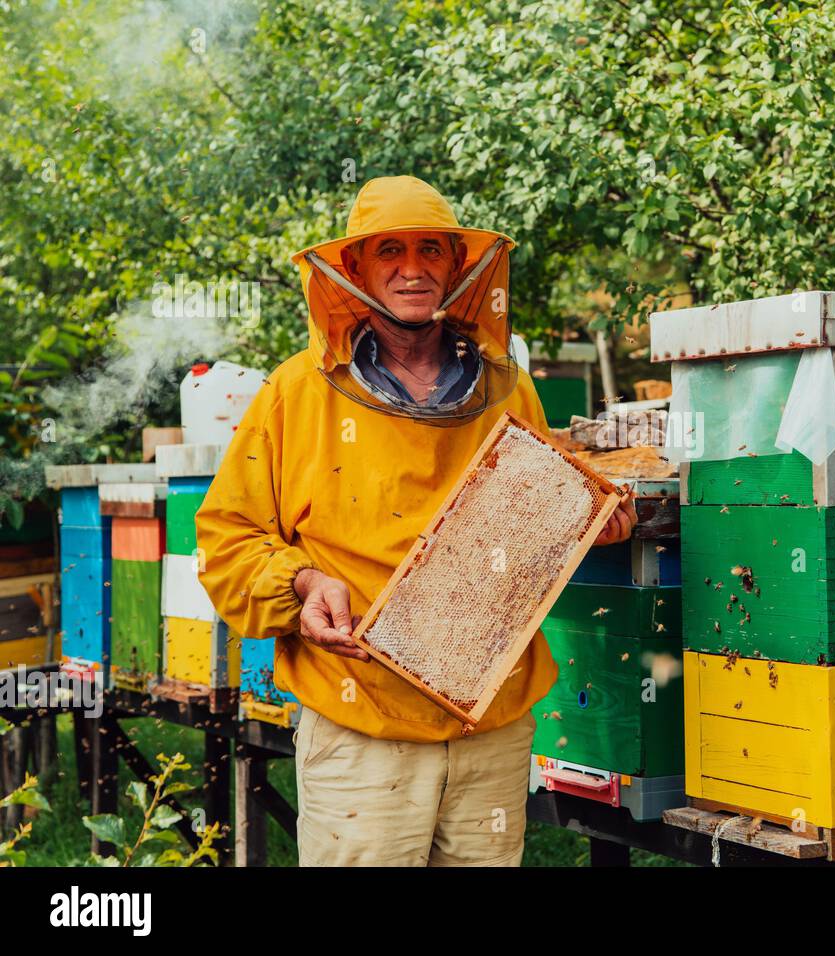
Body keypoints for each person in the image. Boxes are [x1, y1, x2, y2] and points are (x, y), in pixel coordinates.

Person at [196, 175, 636, 866]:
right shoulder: (296, 392)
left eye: (430, 249)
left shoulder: (508, 386)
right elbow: (227, 538)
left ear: (456, 267)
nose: (412, 268)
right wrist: (303, 583)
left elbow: (527, 526)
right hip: (362, 723)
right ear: (356, 270)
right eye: (389, 251)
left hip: (490, 724)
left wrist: (588, 522)